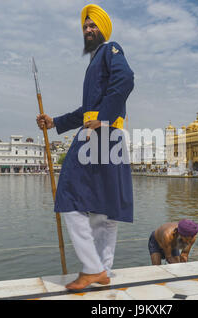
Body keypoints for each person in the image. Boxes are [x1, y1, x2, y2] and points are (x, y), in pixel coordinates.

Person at [36, 4, 134, 290]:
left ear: (103, 29)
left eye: (92, 26)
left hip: (99, 135)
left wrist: (102, 119)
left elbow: (125, 80)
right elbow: (87, 110)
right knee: (104, 210)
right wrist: (55, 122)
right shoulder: (95, 62)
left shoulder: (109, 50)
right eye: (85, 27)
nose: (88, 30)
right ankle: (103, 270)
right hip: (108, 135)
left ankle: (92, 268)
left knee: (68, 195)